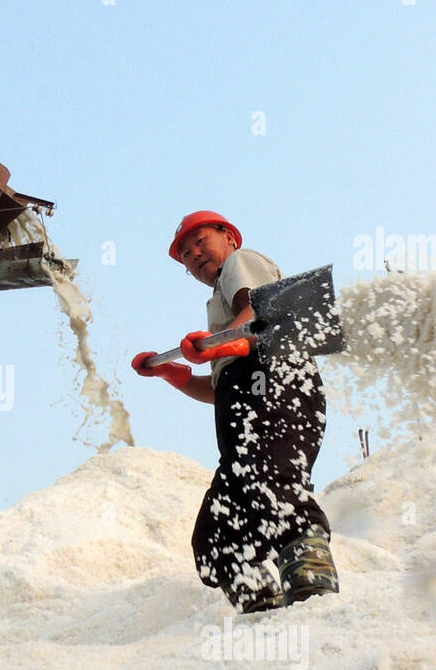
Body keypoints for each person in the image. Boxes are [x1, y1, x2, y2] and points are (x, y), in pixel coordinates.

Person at [131, 210, 339, 613]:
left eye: (200, 242)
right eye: (186, 255)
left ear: (228, 236)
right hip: (243, 404)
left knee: (272, 477)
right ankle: (262, 609)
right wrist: (176, 375)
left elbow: (258, 315)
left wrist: (221, 343)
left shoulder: (241, 263)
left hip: (277, 380)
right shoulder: (218, 301)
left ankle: (311, 579)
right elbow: (219, 389)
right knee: (215, 534)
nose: (194, 255)